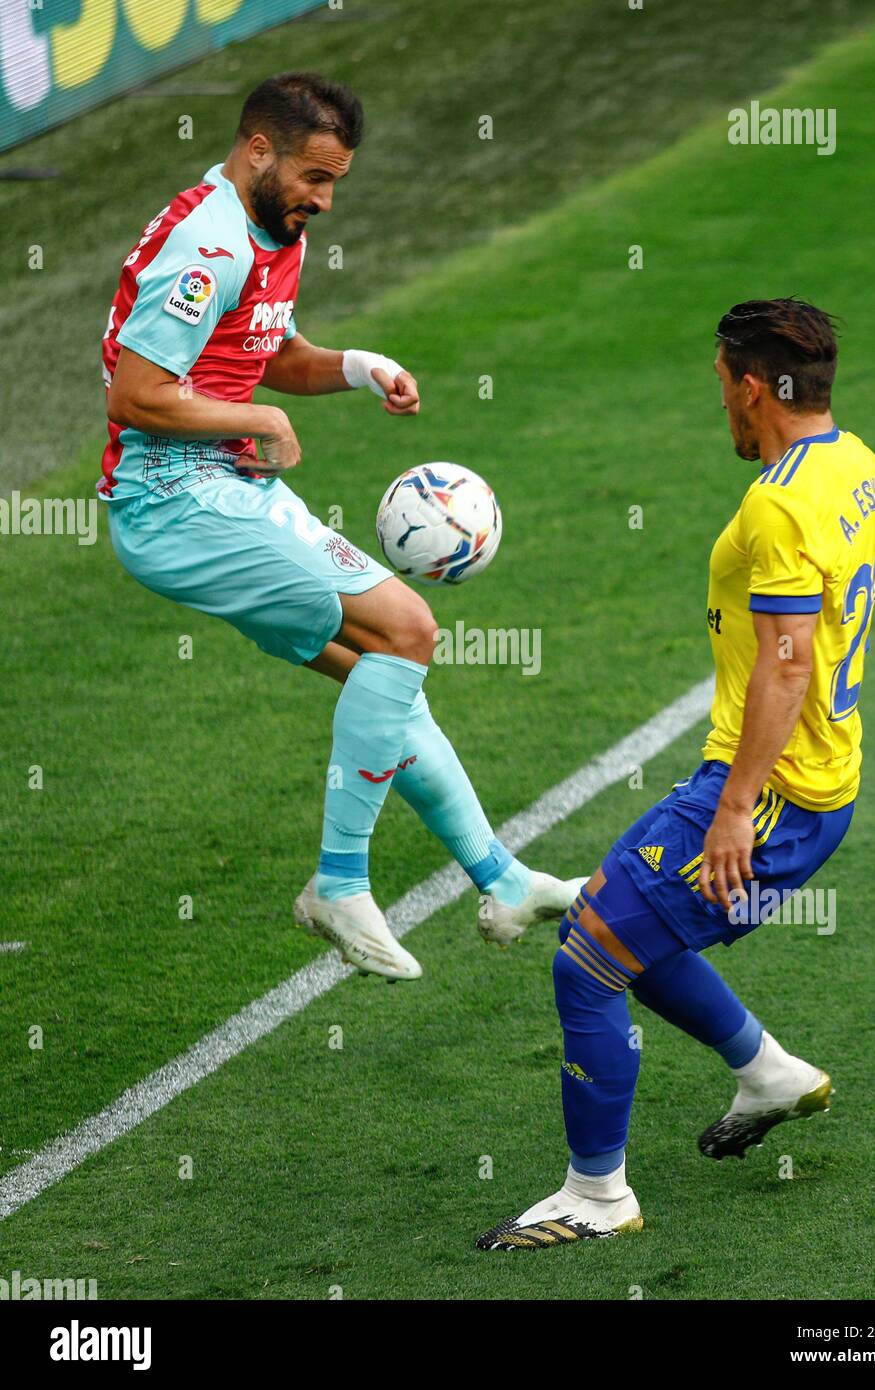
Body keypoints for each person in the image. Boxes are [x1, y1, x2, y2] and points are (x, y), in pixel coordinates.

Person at [99, 71, 583, 982]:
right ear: (257, 152)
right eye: (313, 179)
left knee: (384, 678)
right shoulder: (208, 242)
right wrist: (260, 425)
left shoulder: (272, 229)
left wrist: (358, 367)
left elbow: (263, 353)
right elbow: (138, 393)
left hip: (225, 490)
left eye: (335, 183)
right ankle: (339, 884)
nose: (322, 201)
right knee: (408, 629)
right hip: (176, 503)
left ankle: (502, 878)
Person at [477, 298, 875, 1250]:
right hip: (822, 780)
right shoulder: (852, 461)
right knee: (630, 925)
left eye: (722, 388)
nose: (722, 408)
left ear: (753, 387)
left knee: (585, 963)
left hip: (773, 795)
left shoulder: (779, 501)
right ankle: (767, 1073)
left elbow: (788, 662)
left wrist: (735, 810)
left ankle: (597, 1196)